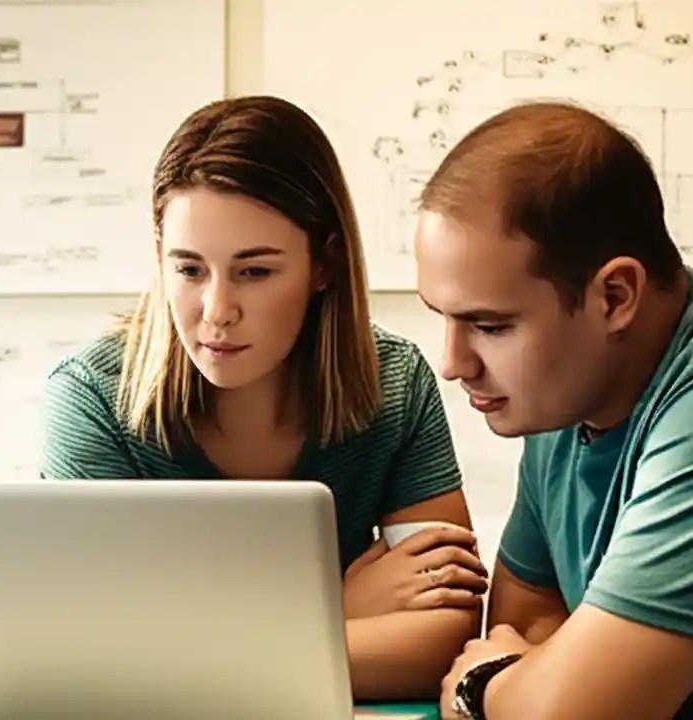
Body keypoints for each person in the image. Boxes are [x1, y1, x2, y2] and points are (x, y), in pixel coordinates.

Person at [41, 95, 487, 701]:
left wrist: (189, 650)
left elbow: (445, 645)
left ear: (323, 264)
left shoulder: (396, 381)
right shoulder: (90, 397)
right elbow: (103, 662)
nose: (217, 312)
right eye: (190, 270)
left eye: (255, 272)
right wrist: (333, 607)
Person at [413, 101, 693, 720]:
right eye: (443, 316)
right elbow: (525, 620)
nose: (453, 362)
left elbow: (565, 710)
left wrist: (482, 687)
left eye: (490, 326)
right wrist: (526, 682)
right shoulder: (570, 390)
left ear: (615, 295)